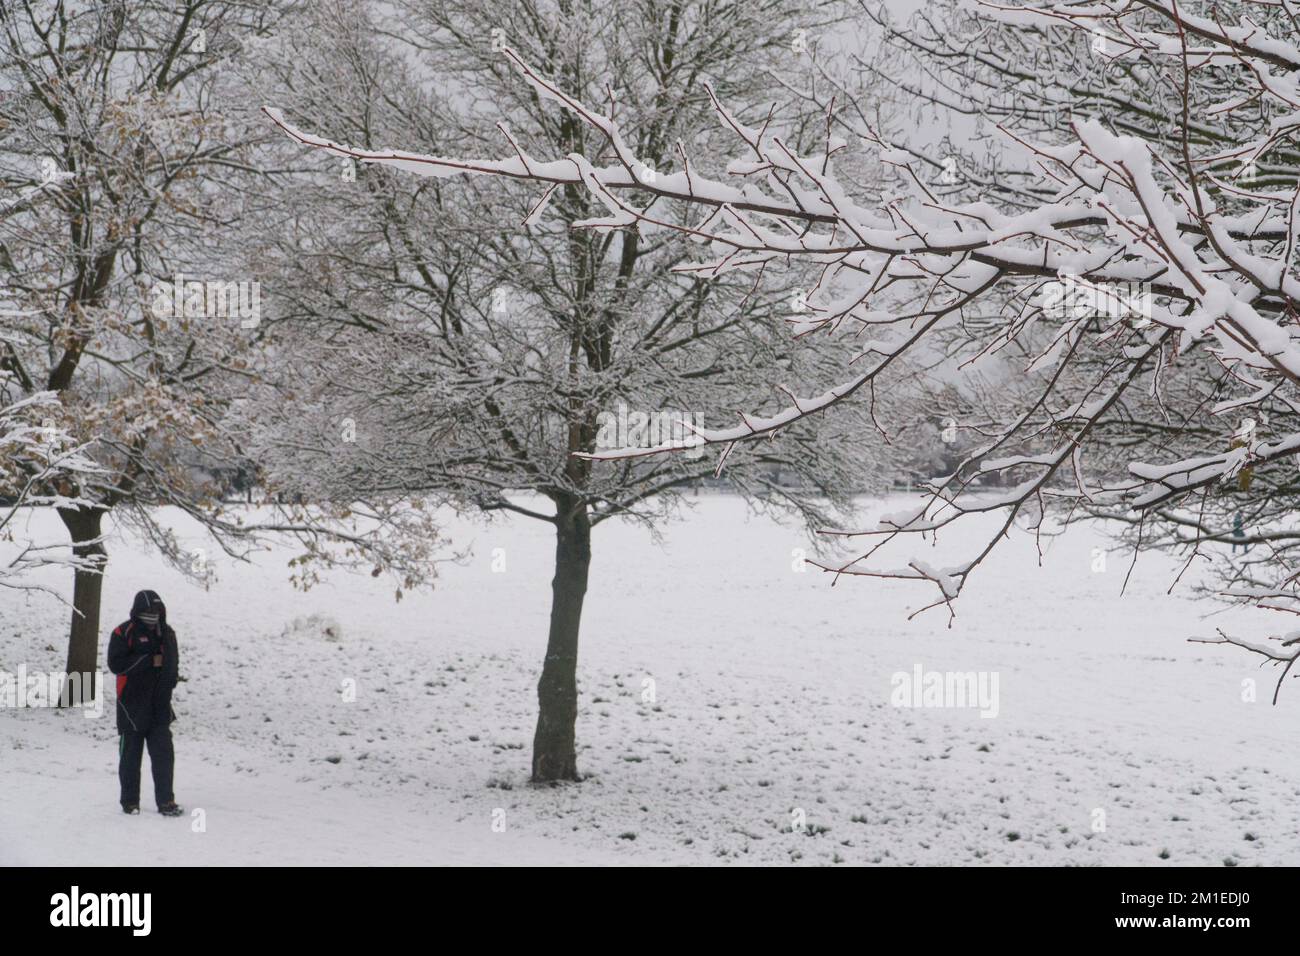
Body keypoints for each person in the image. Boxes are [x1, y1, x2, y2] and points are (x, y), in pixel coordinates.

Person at [107, 590, 183, 816]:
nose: (152, 616)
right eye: (148, 612)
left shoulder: (168, 633)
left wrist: (169, 682)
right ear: (137, 612)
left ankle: (166, 801)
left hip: (160, 706)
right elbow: (116, 665)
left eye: (156, 612)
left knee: (164, 756)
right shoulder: (123, 632)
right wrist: (150, 661)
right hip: (131, 706)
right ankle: (130, 802)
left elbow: (172, 664)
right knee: (130, 757)